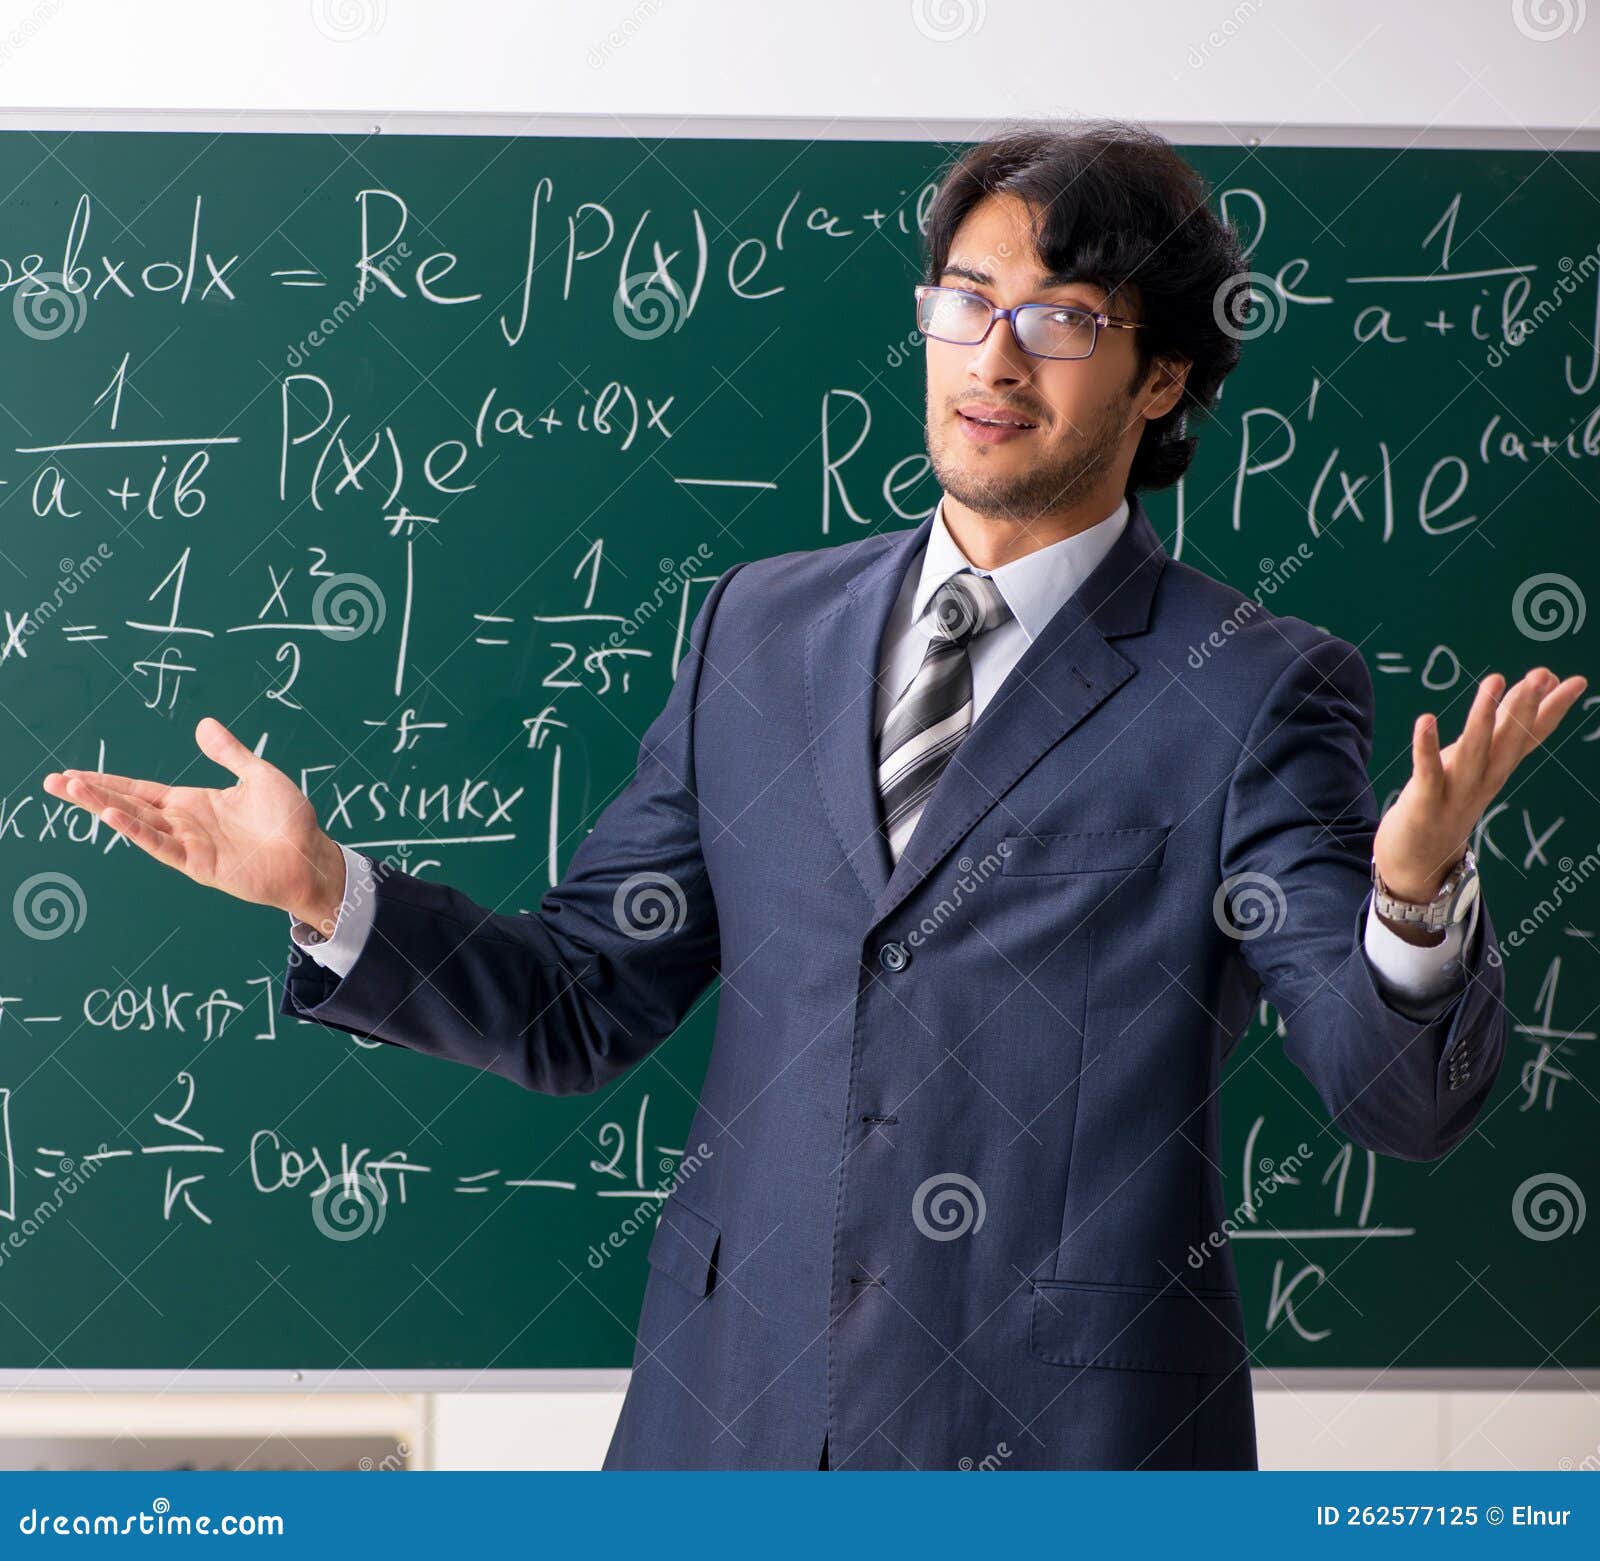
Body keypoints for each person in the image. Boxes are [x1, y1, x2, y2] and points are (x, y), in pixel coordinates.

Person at [43, 121, 1582, 1471]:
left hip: (1068, 1455)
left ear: (1161, 372)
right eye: (967, 301)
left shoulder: (1252, 684)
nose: (994, 357)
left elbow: (1401, 1098)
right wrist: (328, 893)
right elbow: (583, 1002)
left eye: (1058, 317)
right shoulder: (756, 631)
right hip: (728, 1432)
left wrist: (1410, 900)